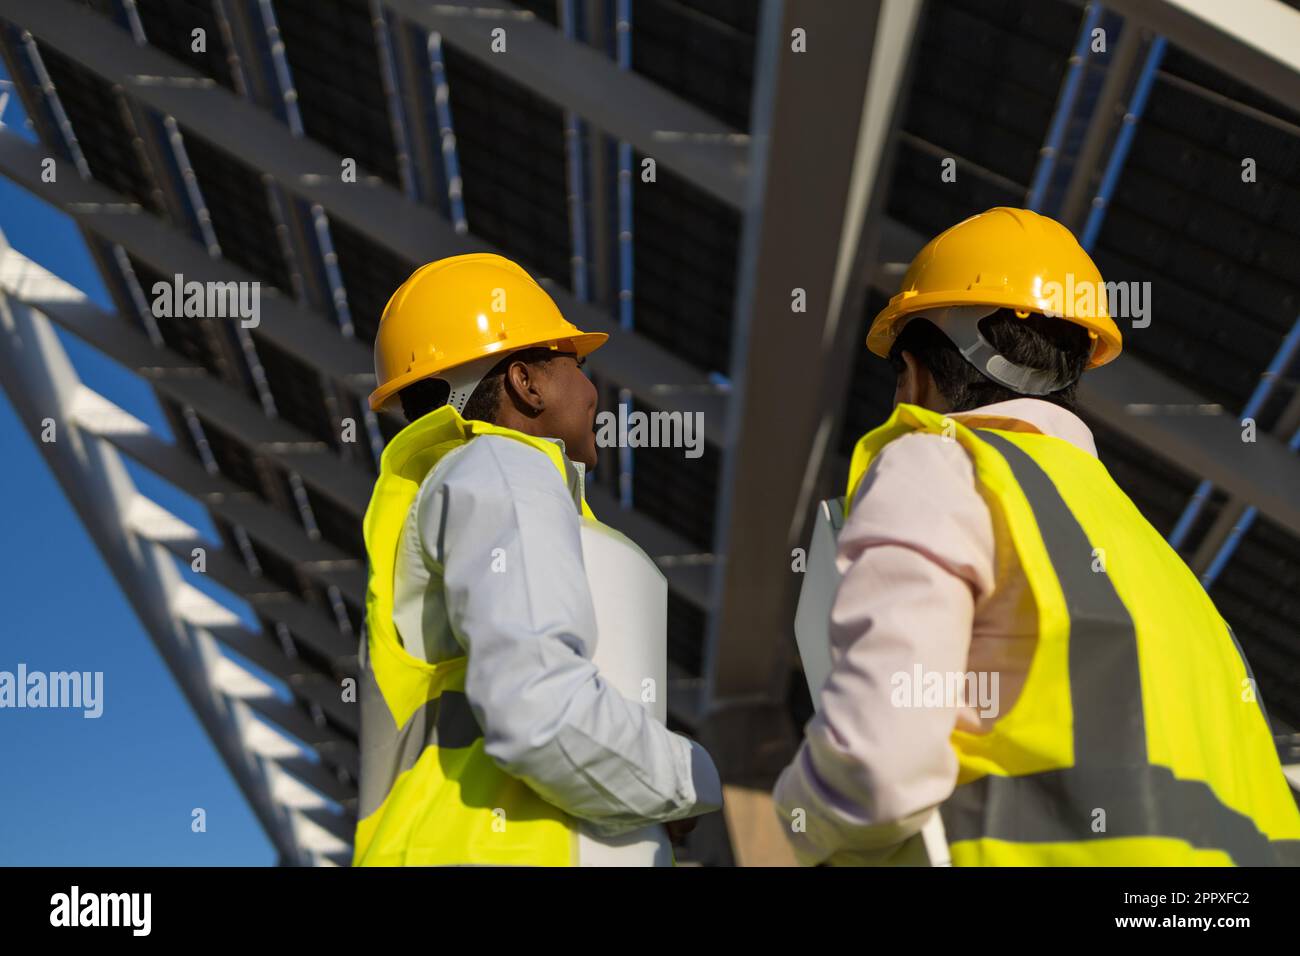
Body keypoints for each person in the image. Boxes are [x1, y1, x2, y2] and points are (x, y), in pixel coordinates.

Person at [774, 207, 1300, 866]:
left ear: (915, 371)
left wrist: (793, 819)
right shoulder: (1157, 557)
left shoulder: (942, 463)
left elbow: (880, 767)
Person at [354, 252, 721, 866]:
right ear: (526, 383)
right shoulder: (503, 466)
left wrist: (644, 796)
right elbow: (538, 708)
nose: (593, 391)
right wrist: (693, 781)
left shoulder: (446, 492)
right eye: (576, 365)